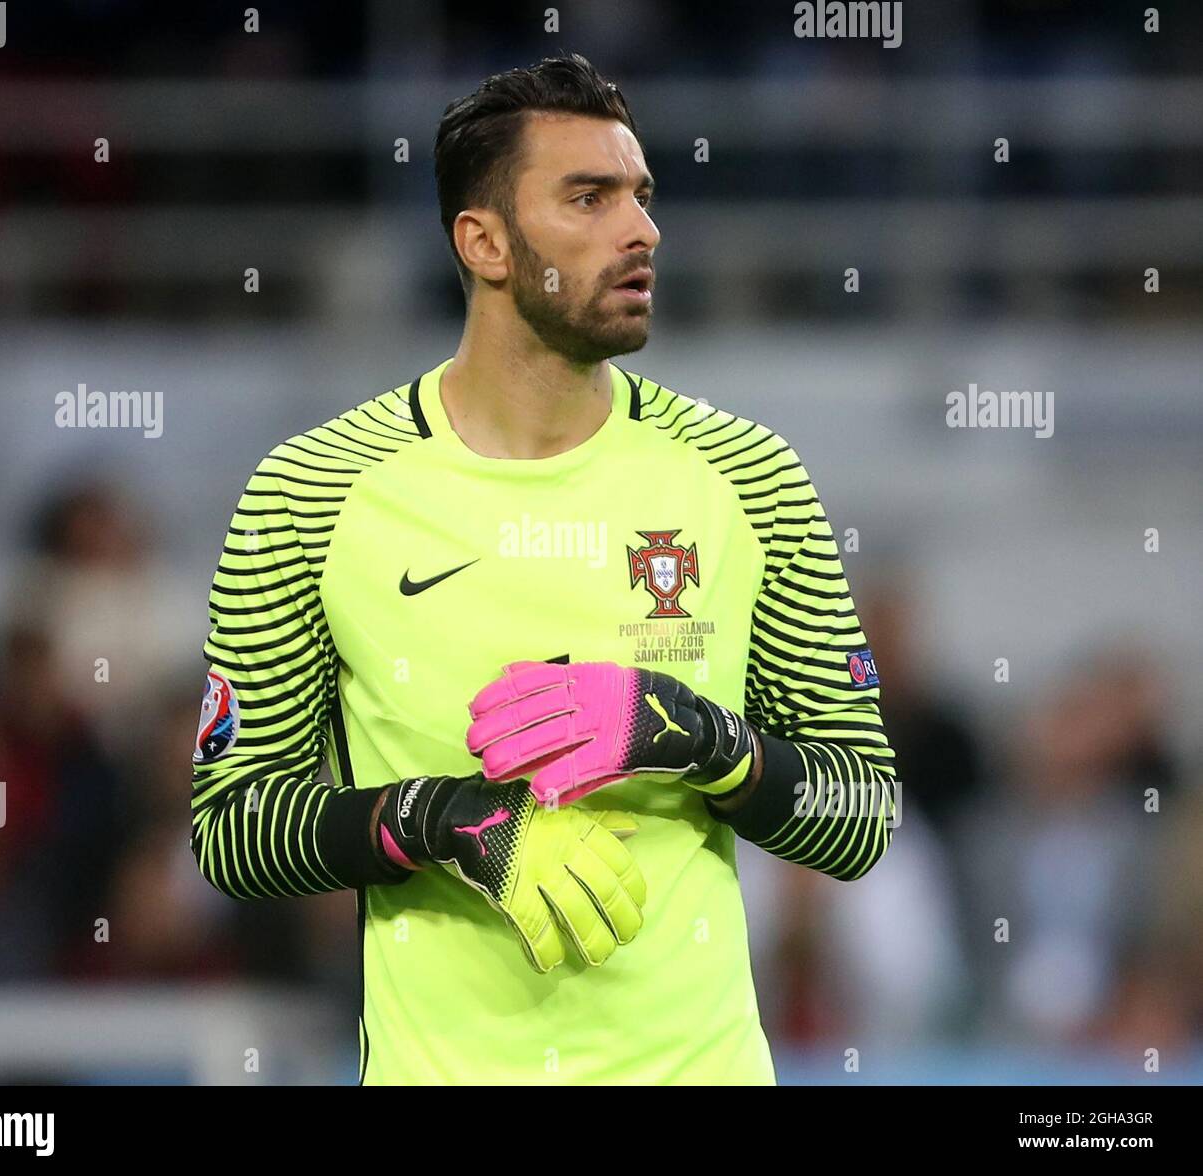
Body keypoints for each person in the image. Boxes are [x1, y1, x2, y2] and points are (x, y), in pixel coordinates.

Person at [189, 52, 896, 1085]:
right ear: (482, 241)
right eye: (588, 197)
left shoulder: (749, 477)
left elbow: (862, 813)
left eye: (642, 197)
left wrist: (703, 741)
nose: (641, 229)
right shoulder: (311, 490)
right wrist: (439, 819)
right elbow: (234, 828)